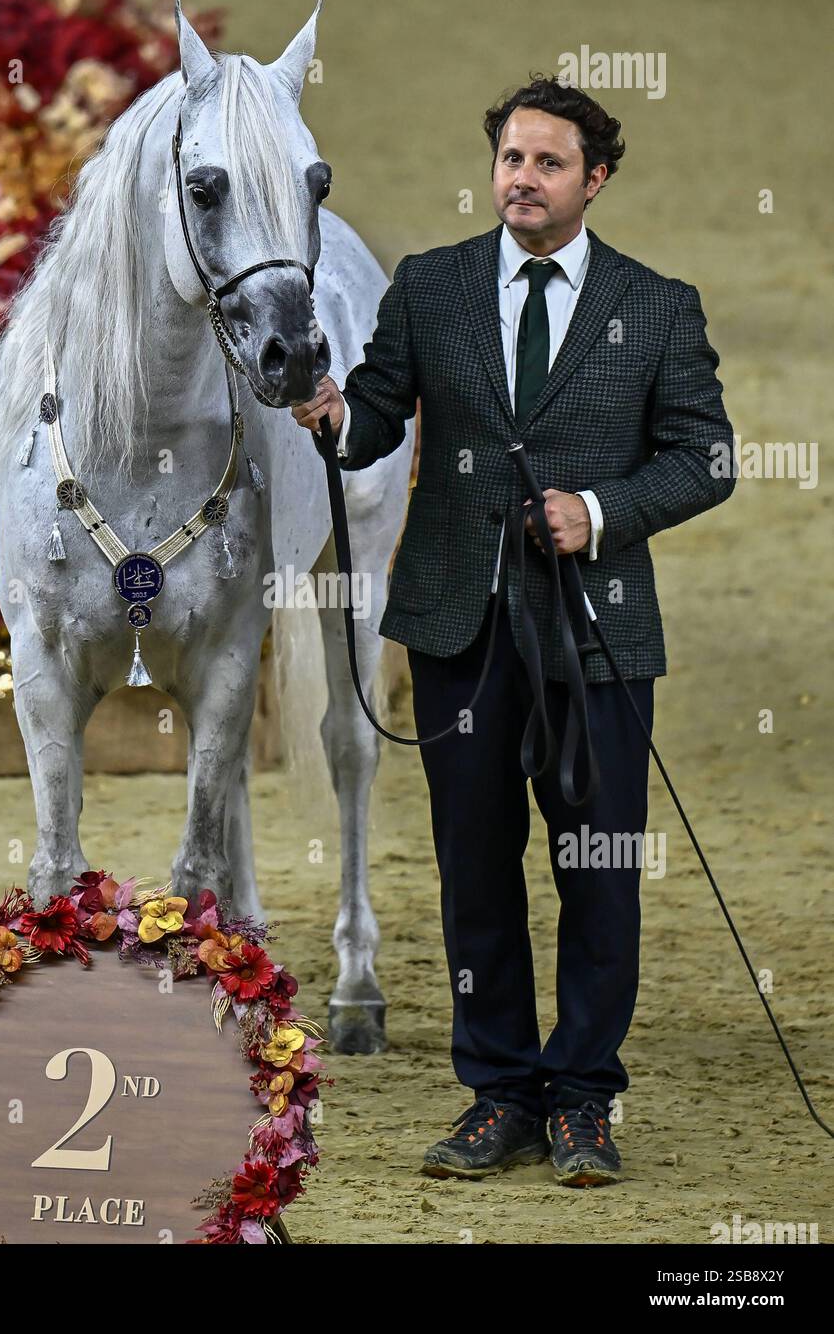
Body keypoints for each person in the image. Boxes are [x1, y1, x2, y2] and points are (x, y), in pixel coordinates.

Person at [292, 74, 736, 1187]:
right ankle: (498, 1094)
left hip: (594, 637)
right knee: (473, 872)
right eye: (508, 159)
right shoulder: (430, 287)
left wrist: (597, 513)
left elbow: (704, 456)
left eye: (546, 162)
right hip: (459, 627)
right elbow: (377, 415)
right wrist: (336, 415)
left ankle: (583, 1098)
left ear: (594, 178)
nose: (521, 178)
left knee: (596, 872)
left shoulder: (658, 304)